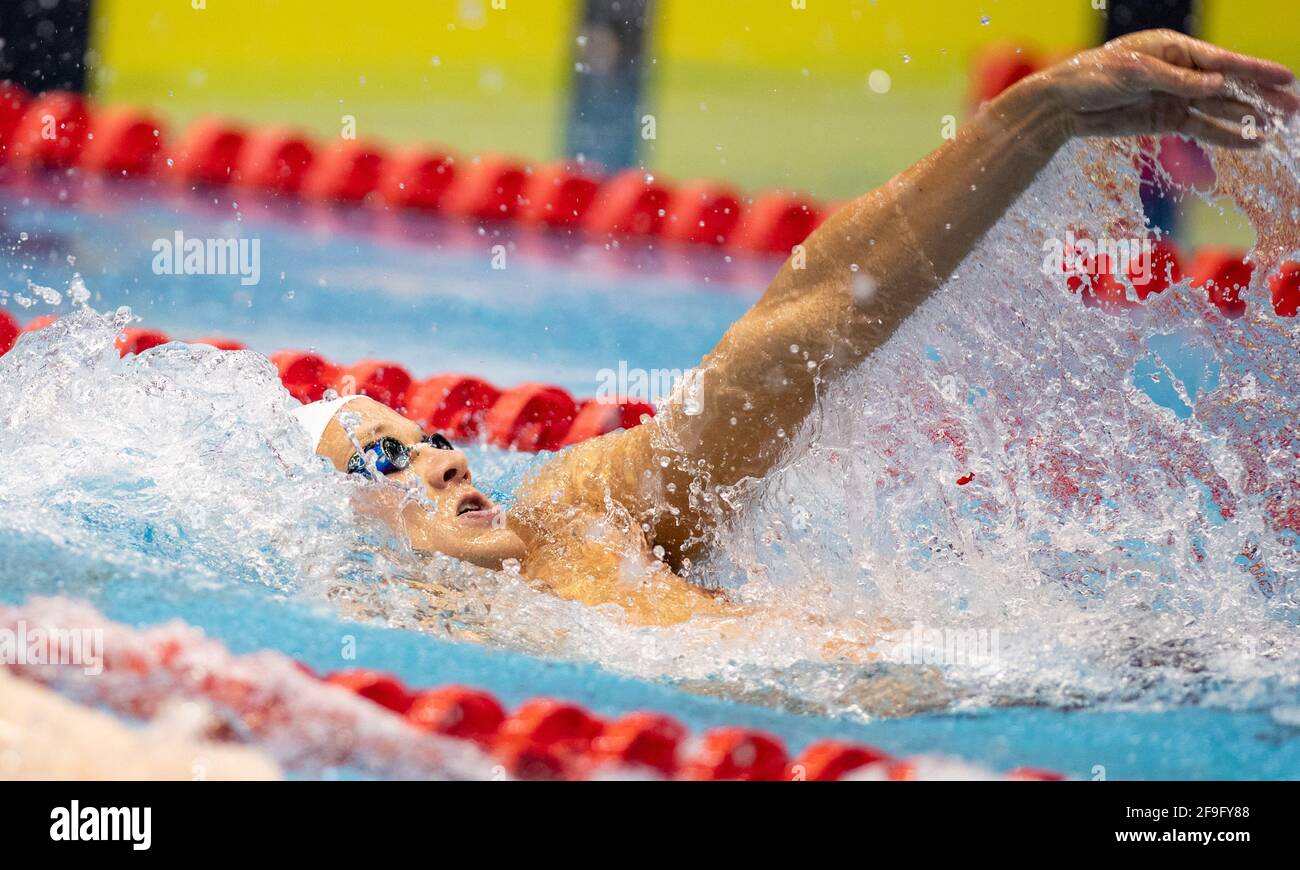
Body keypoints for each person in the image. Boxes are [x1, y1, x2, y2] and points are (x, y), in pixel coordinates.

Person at [295, 31, 1297, 627]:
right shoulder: (392, 639)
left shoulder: (579, 515)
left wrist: (1034, 116)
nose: (442, 462)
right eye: (387, 460)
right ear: (338, 528)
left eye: (430, 440)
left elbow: (799, 332)